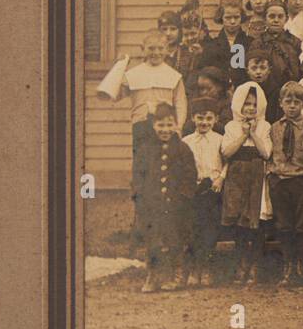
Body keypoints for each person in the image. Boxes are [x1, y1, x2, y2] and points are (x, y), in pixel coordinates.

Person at [133, 103, 197, 293]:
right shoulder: (145, 150)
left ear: (176, 125)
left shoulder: (183, 149)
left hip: (175, 206)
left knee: (174, 240)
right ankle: (153, 275)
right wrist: (139, 198)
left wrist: (184, 198)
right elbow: (138, 176)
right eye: (161, 125)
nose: (165, 130)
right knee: (153, 241)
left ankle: (177, 274)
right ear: (153, 125)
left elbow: (190, 176)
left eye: (169, 125)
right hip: (152, 205)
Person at [96, 29, 190, 160]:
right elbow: (114, 96)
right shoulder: (134, 74)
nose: (156, 52)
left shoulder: (174, 76)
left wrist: (178, 126)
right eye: (151, 48)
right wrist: (118, 67)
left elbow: (180, 102)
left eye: (160, 48)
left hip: (166, 126)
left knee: (164, 163)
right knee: (142, 164)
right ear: (143, 49)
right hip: (141, 126)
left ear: (167, 49)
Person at [219, 81, 272, 286]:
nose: (250, 108)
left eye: (254, 104)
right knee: (240, 221)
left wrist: (253, 134)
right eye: (246, 104)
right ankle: (241, 264)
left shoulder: (265, 126)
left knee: (255, 221)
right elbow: (226, 152)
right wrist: (243, 134)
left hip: (257, 175)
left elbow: (266, 153)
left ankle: (254, 266)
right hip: (238, 175)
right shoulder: (231, 126)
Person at [267, 81, 303, 287]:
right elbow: (269, 154)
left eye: (297, 101)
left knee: (302, 225)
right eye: (288, 101)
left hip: (300, 181)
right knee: (284, 225)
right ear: (280, 103)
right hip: (279, 181)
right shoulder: (274, 128)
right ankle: (287, 265)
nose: (292, 105)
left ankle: (300, 265)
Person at [182, 96, 225, 287]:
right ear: (193, 118)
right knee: (193, 228)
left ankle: (206, 266)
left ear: (215, 119)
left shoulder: (221, 140)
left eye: (209, 118)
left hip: (213, 190)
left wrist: (221, 177)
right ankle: (193, 268)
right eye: (200, 118)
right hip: (193, 190)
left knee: (210, 229)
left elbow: (228, 162)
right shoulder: (186, 141)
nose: (204, 122)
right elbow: (182, 166)